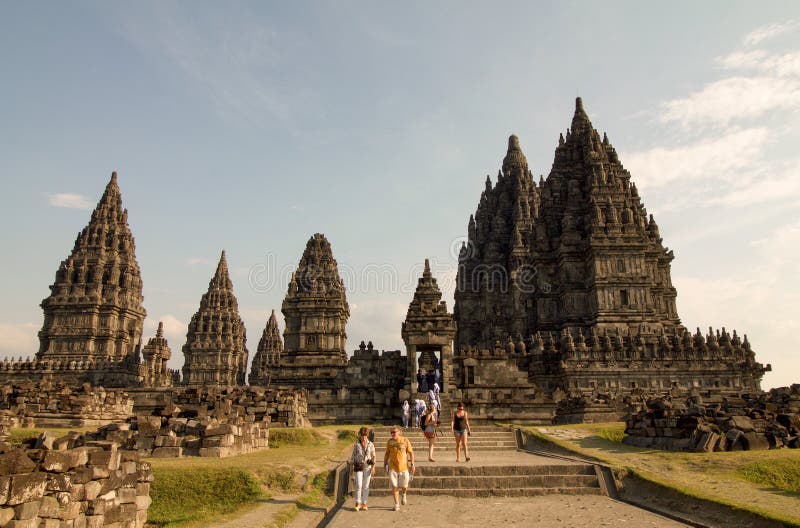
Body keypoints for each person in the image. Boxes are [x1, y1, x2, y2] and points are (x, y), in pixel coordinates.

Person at [383, 425, 415, 511]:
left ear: (399, 432)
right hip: (393, 467)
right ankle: (396, 504)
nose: (392, 434)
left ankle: (404, 494)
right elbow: (387, 453)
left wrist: (412, 464)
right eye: (391, 432)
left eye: (394, 432)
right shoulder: (389, 442)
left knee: (404, 485)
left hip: (404, 467)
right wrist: (385, 463)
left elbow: (411, 453)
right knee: (394, 486)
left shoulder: (405, 440)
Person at [349, 426, 377, 511]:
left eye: (365, 435)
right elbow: (353, 456)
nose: (363, 437)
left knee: (366, 485)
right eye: (362, 435)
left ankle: (364, 503)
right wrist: (352, 465)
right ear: (360, 435)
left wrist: (373, 467)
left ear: (367, 435)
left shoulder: (371, 444)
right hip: (358, 466)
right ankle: (358, 502)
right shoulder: (357, 444)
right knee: (358, 485)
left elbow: (373, 456)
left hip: (367, 467)